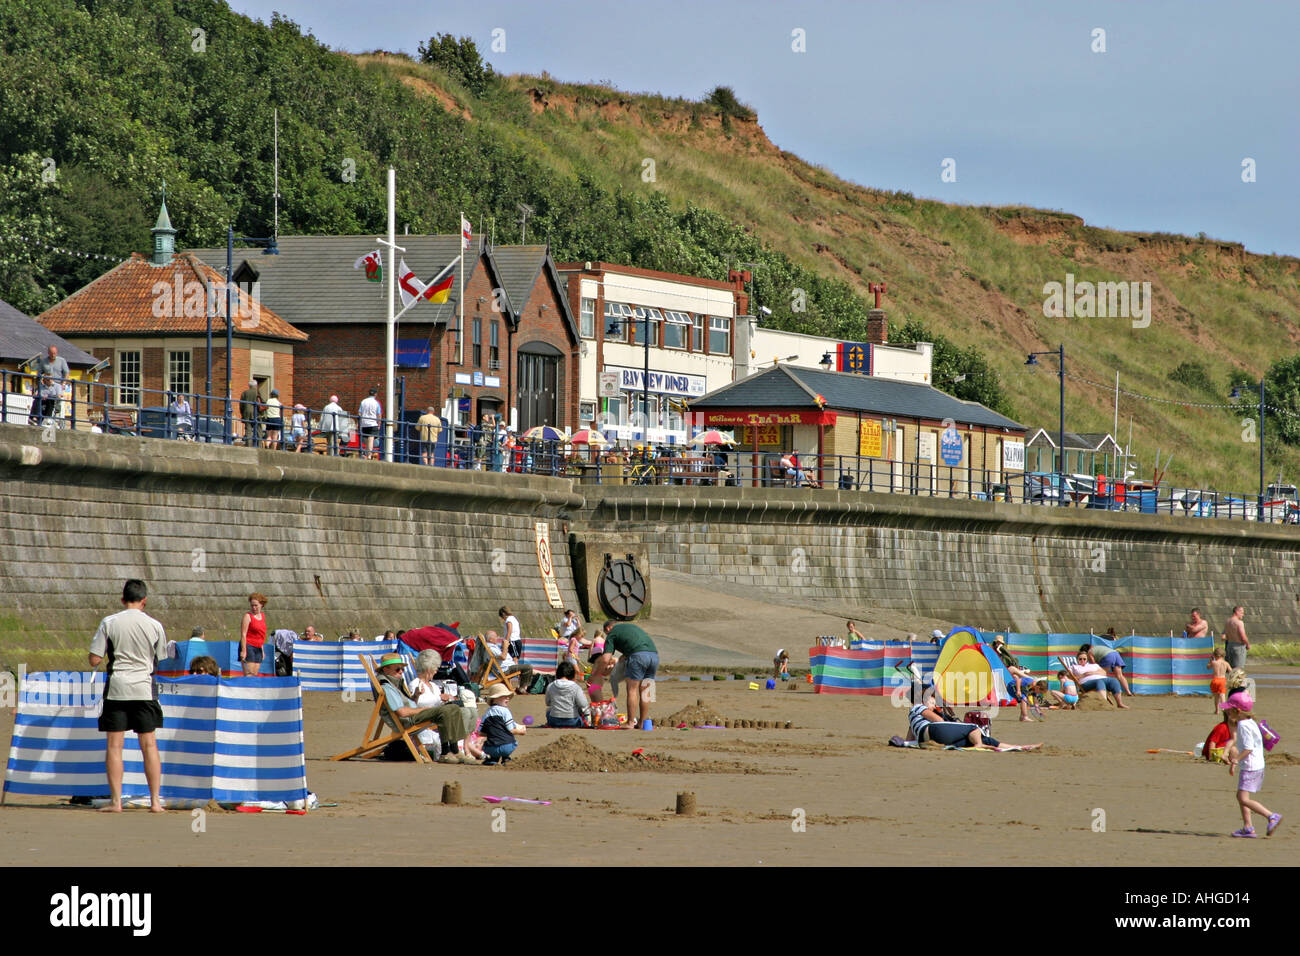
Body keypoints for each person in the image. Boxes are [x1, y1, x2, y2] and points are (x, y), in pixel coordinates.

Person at [87, 579, 169, 812]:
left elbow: (95, 658)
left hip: (117, 688)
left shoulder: (109, 622)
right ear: (144, 601)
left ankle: (116, 802)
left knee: (114, 746)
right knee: (149, 745)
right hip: (143, 687)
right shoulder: (154, 624)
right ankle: (155, 802)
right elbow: (160, 657)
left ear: (123, 600)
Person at [1221, 692, 1282, 838]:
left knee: (1243, 798)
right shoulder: (1250, 722)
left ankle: (1271, 816)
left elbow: (1248, 748)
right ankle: (1248, 827)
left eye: (1229, 709)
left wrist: (1236, 760)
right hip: (1255, 764)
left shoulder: (1243, 726)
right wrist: (1236, 764)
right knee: (1241, 796)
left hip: (1251, 766)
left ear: (1238, 711)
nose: (1227, 711)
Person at [408, 649, 483, 762]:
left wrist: (448, 699)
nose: (436, 671)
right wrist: (436, 697)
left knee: (467, 711)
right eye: (435, 669)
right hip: (424, 715)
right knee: (449, 711)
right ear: (429, 669)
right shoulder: (415, 684)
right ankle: (450, 750)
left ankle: (459, 747)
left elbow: (438, 702)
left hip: (437, 714)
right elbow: (416, 703)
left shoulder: (433, 685)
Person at [595, 620, 659, 730]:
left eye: (606, 633)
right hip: (654, 655)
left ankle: (630, 722)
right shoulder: (630, 627)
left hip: (638, 657)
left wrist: (596, 674)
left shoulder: (612, 633)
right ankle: (642, 723)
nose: (607, 636)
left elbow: (605, 659)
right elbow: (630, 649)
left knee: (632, 690)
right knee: (646, 691)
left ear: (608, 629)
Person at [991, 638, 1037, 721]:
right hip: (1003, 670)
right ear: (995, 643)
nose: (999, 644)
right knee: (1015, 673)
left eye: (1000, 643)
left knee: (1016, 676)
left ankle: (1023, 715)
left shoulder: (1001, 652)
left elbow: (1010, 658)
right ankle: (1028, 677)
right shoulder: (994, 650)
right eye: (998, 643)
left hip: (1007, 672)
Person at [479, 684, 526, 764]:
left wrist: (493, 733)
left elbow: (480, 732)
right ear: (495, 698)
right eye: (504, 696)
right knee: (511, 741)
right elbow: (511, 730)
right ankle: (505, 758)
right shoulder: (505, 711)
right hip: (507, 747)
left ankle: (493, 759)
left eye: (508, 696)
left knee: (487, 744)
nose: (508, 698)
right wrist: (521, 732)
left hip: (490, 749)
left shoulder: (487, 713)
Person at [545, 661, 592, 728]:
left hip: (554, 721)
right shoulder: (576, 687)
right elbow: (583, 704)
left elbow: (548, 703)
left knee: (548, 710)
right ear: (572, 674)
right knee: (582, 711)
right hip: (572, 722)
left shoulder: (550, 686)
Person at [33, 345, 69, 426]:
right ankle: (34, 417)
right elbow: (38, 374)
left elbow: (66, 372)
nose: (53, 355)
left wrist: (64, 383)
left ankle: (50, 418)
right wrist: (39, 384)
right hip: (46, 385)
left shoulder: (62, 361)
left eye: (55, 353)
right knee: (37, 399)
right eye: (52, 353)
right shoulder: (44, 361)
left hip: (57, 385)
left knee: (52, 400)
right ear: (48, 353)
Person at [239, 592, 268, 677]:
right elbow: (243, 634)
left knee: (255, 674)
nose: (254, 608)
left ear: (261, 604)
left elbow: (261, 635)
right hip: (249, 646)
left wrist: (262, 650)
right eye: (252, 605)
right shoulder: (247, 616)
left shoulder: (263, 616)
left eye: (256, 605)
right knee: (249, 674)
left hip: (258, 647)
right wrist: (244, 651)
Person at [1224, 606, 1250, 670]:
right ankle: (1237, 680)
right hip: (1238, 646)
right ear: (1237, 612)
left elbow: (1225, 635)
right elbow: (1243, 636)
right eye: (1242, 613)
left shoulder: (1228, 621)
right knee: (1238, 669)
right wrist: (1247, 645)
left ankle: (1231, 680)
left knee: (1231, 669)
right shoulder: (1239, 622)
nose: (1243, 615)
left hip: (1229, 646)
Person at [359, 386, 381, 460]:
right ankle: (369, 455)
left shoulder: (363, 401)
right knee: (371, 439)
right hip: (373, 423)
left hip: (364, 423)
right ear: (375, 394)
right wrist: (379, 423)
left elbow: (359, 413)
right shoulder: (376, 403)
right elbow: (379, 414)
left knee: (365, 439)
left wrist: (361, 421)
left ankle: (366, 453)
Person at [239, 380, 261, 446]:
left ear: (249, 386)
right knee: (258, 430)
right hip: (256, 413)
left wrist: (243, 413)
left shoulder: (244, 393)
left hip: (247, 413)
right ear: (256, 385)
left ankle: (249, 445)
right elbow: (263, 401)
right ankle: (259, 446)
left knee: (248, 431)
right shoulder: (257, 392)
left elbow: (241, 405)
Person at [1208, 648, 1230, 713]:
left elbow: (1208, 667)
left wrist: (1210, 661)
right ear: (1224, 655)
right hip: (1222, 680)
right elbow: (1231, 671)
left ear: (1214, 655)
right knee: (1222, 695)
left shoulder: (1214, 662)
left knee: (1216, 696)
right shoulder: (1226, 663)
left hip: (1215, 680)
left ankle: (1217, 710)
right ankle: (1224, 709)